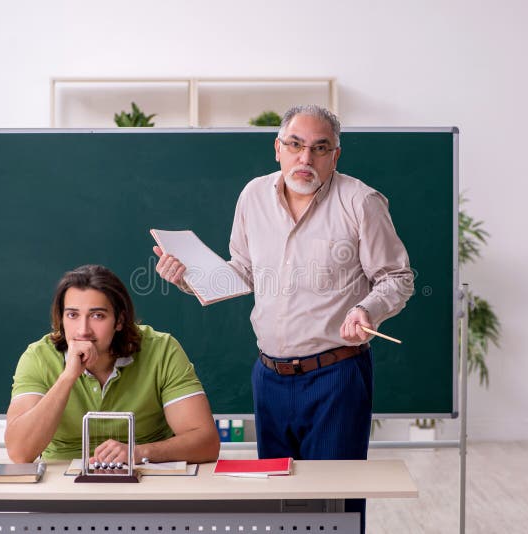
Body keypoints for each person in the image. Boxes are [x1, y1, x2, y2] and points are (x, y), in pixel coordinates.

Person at [153, 105, 413, 532]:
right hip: (269, 377)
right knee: (276, 503)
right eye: (295, 145)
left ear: (335, 155)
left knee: (336, 505)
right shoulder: (253, 196)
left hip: (336, 375)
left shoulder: (359, 202)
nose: (305, 159)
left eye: (319, 148)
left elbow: (397, 277)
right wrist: (187, 278)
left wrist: (367, 309)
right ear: (278, 148)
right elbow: (242, 272)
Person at [4, 264, 220, 465]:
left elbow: (206, 443)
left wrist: (138, 452)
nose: (83, 330)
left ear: (119, 321)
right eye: (72, 315)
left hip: (146, 478)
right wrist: (68, 377)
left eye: (97, 315)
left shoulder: (162, 350)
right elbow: (20, 452)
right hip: (61, 480)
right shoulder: (38, 356)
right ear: (61, 319)